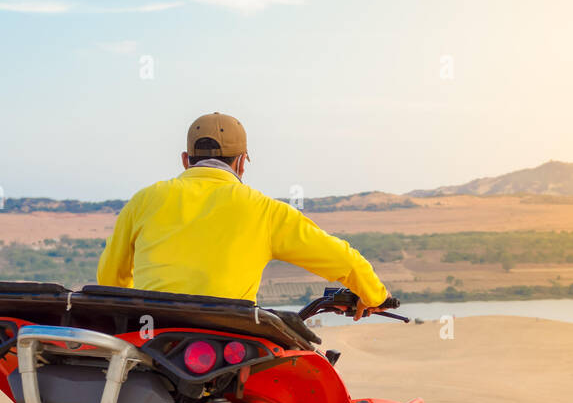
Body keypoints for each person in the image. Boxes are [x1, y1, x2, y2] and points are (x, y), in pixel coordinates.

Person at [96, 112, 391, 319]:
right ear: (240, 163)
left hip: (153, 339)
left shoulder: (145, 200)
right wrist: (374, 296)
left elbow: (110, 278)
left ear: (186, 160)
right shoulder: (263, 209)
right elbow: (343, 260)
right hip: (228, 347)